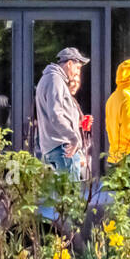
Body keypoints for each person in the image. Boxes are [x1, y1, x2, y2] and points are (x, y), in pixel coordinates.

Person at [36, 47, 89, 180]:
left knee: (59, 197)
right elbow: (56, 115)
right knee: (70, 197)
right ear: (69, 63)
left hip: (54, 148)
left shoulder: (48, 79)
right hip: (63, 148)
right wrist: (73, 138)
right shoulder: (55, 80)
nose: (77, 72)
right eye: (77, 68)